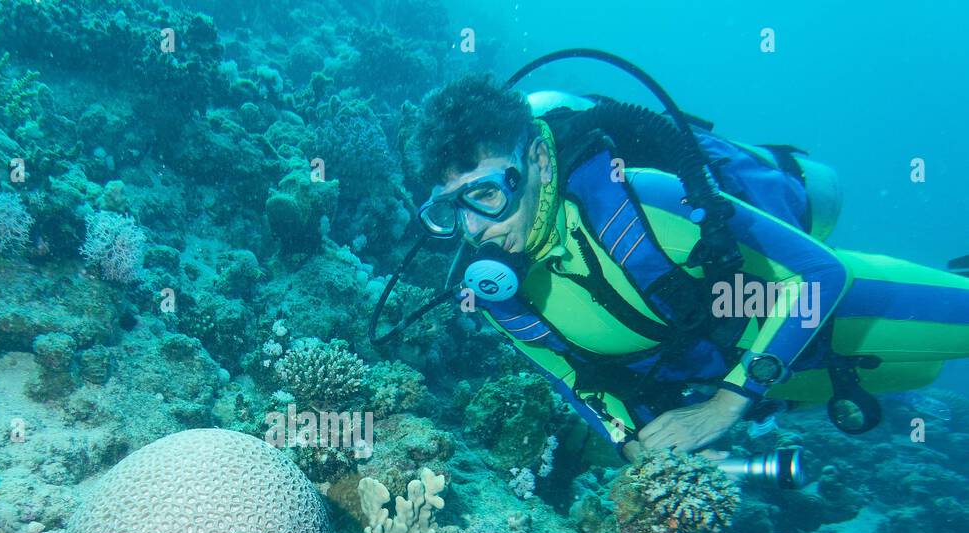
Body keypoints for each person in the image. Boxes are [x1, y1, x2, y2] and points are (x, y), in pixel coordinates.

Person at [404, 73, 969, 462]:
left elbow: (822, 276)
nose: (474, 229)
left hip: (846, 316)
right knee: (922, 376)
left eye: (484, 196)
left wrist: (725, 406)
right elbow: (574, 377)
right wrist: (630, 443)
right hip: (794, 387)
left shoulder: (642, 200)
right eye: (451, 208)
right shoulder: (497, 292)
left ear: (540, 160)